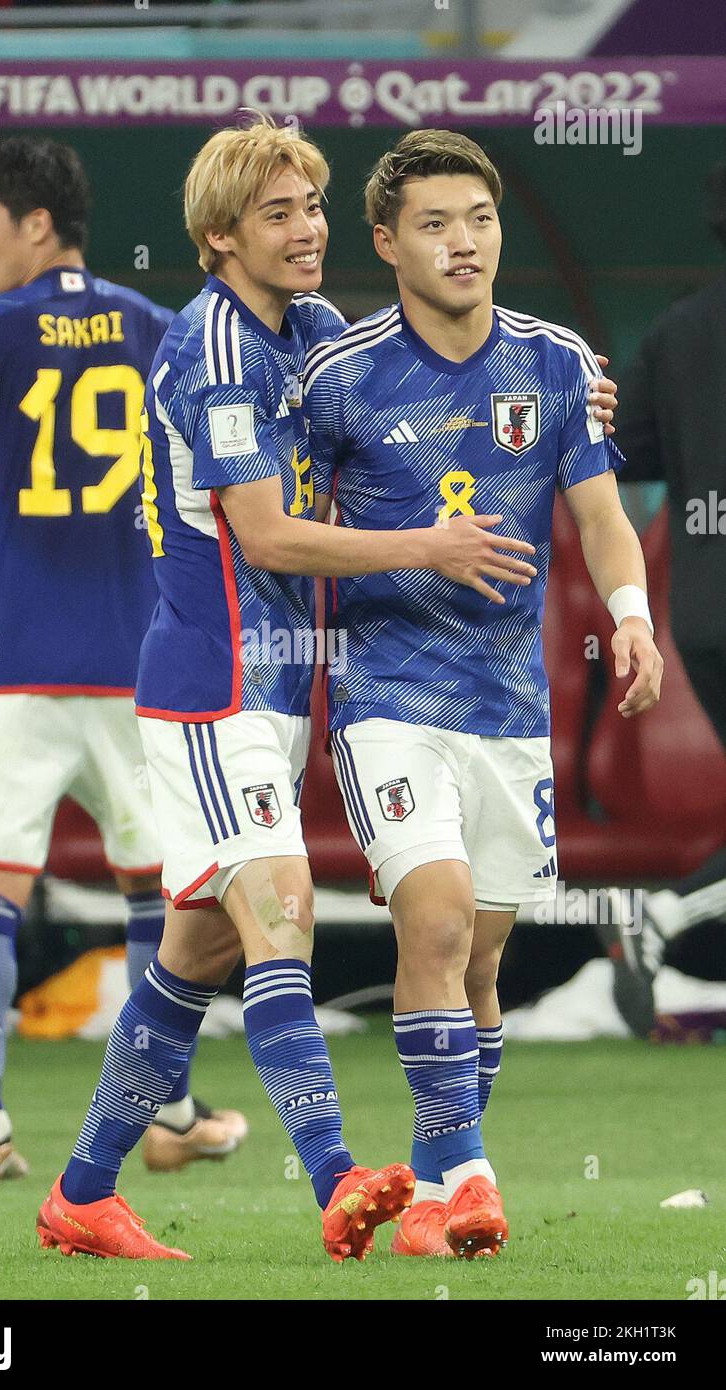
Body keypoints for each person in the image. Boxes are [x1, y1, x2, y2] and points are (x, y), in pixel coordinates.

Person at [36, 114, 554, 1264]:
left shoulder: (315, 331)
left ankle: (80, 1191)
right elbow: (265, 537)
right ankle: (334, 1178)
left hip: (279, 693)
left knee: (198, 953)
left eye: (313, 207)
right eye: (277, 213)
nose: (308, 229)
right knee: (282, 909)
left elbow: (418, 394)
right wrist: (429, 545)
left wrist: (566, 402)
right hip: (210, 686)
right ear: (219, 238)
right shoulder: (210, 349)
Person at [302, 129, 662, 1258]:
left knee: (482, 961)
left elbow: (600, 517)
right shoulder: (340, 376)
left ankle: (435, 1184)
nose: (463, 244)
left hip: (508, 711)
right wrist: (414, 551)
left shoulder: (554, 364)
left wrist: (633, 617)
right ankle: (461, 1176)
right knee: (439, 915)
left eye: (480, 220)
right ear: (386, 242)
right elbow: (280, 533)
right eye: (434, 225)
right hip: (386, 698)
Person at [0, 137, 245, 1183]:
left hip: (8, 663)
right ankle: (165, 1110)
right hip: (141, 666)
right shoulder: (159, 328)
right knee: (161, 890)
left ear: (35, 225)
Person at [595, 163, 726, 1035]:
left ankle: (664, 919)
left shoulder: (682, 331)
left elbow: (622, 453)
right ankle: (665, 916)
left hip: (710, 618)